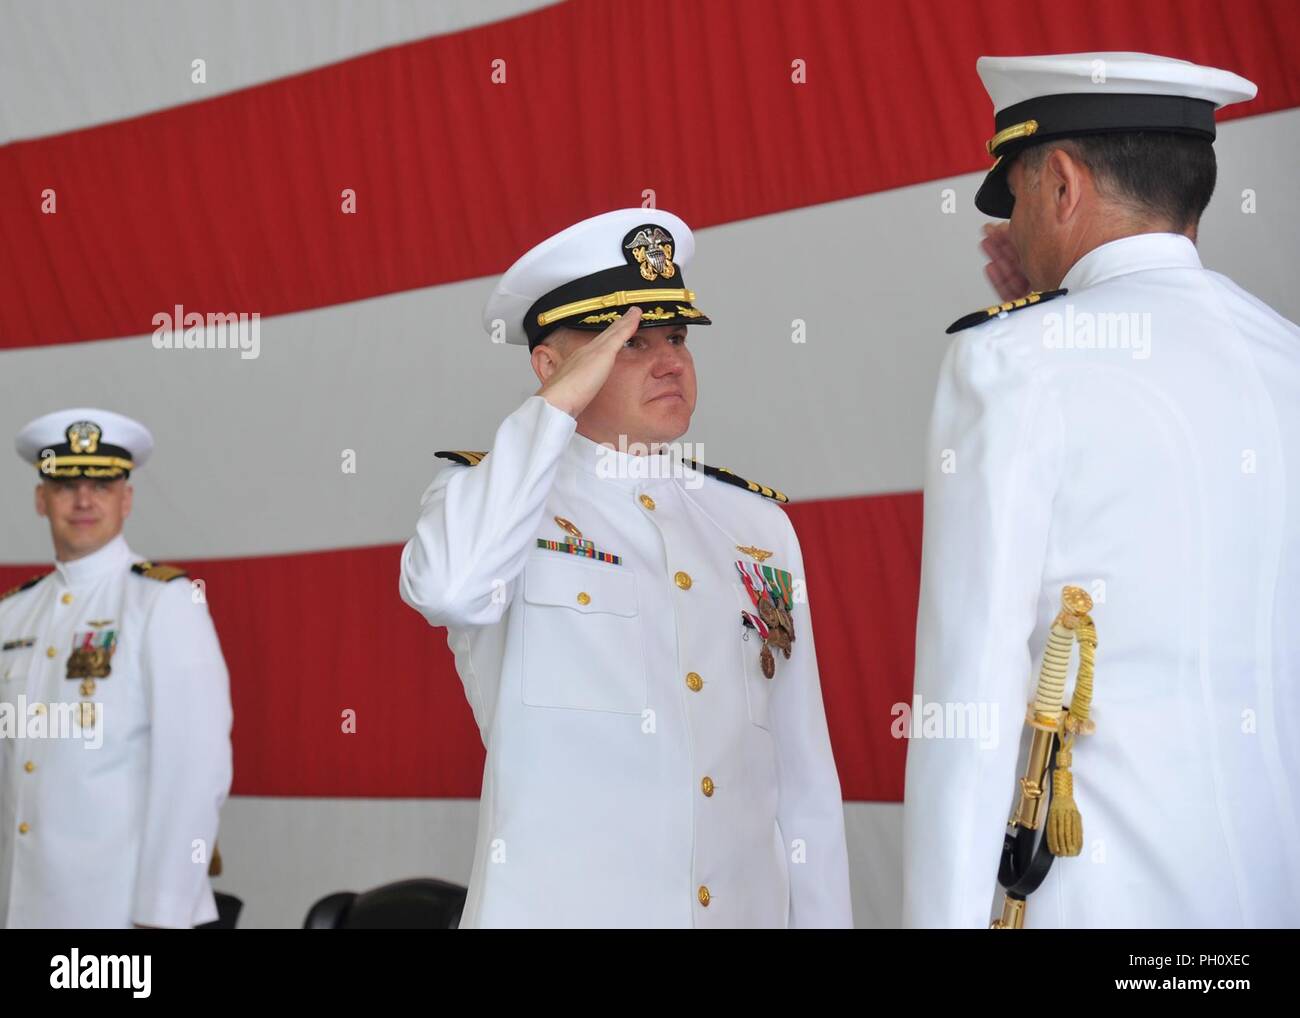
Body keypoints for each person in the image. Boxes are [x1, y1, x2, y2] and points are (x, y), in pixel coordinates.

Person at [902, 51, 1300, 928]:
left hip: (1102, 903)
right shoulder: (1285, 356)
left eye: (1016, 199)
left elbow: (965, 707)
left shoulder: (1006, 364)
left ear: (1063, 184)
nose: (1011, 234)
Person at [399, 208, 851, 928]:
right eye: (629, 343)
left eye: (675, 337)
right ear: (552, 365)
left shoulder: (757, 527)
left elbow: (802, 779)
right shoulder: (490, 501)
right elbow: (448, 588)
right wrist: (550, 413)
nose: (670, 360)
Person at [0, 408, 233, 928]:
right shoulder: (12, 613)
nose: (83, 500)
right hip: (20, 907)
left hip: (116, 912)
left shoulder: (163, 603)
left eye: (101, 485)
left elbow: (196, 766)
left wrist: (164, 912)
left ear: (126, 500)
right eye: (66, 485)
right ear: (41, 500)